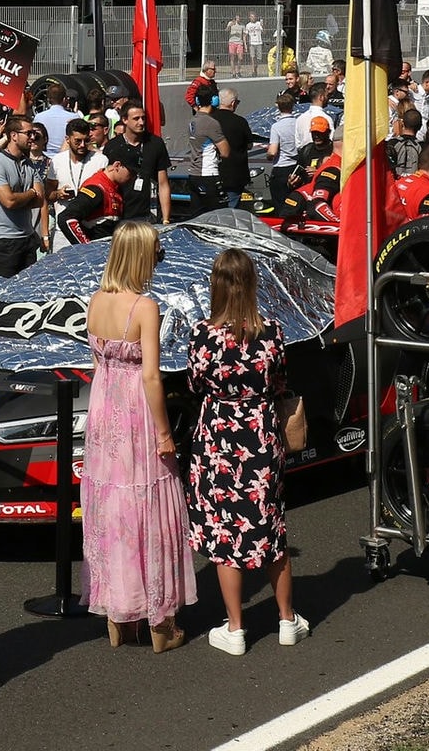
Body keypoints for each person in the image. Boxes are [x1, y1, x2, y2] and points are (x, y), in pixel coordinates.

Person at [80, 223, 197, 651]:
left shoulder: (94, 300)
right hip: (134, 413)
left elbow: (96, 361)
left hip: (103, 407)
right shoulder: (145, 306)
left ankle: (117, 617)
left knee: (112, 510)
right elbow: (150, 375)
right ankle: (159, 624)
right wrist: (165, 431)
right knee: (149, 507)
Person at [187, 248, 308, 654]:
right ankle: (288, 620)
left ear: (216, 285)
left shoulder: (204, 335)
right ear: (253, 284)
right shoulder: (271, 332)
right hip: (261, 434)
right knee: (271, 529)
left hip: (219, 437)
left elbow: (194, 384)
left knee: (226, 533)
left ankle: (236, 628)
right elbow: (280, 384)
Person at [0, 117, 43, 277]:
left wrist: (20, 199)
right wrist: (29, 193)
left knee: (29, 291)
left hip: (27, 238)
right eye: (28, 133)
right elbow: (9, 201)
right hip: (4, 242)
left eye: (34, 134)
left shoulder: (28, 163)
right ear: (14, 136)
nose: (32, 138)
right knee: (5, 293)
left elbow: (40, 200)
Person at [103, 103, 172, 224]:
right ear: (124, 120)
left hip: (149, 214)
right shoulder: (112, 147)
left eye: (143, 118)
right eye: (136, 118)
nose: (141, 122)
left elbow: (163, 183)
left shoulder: (155, 143)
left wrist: (166, 219)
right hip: (121, 214)